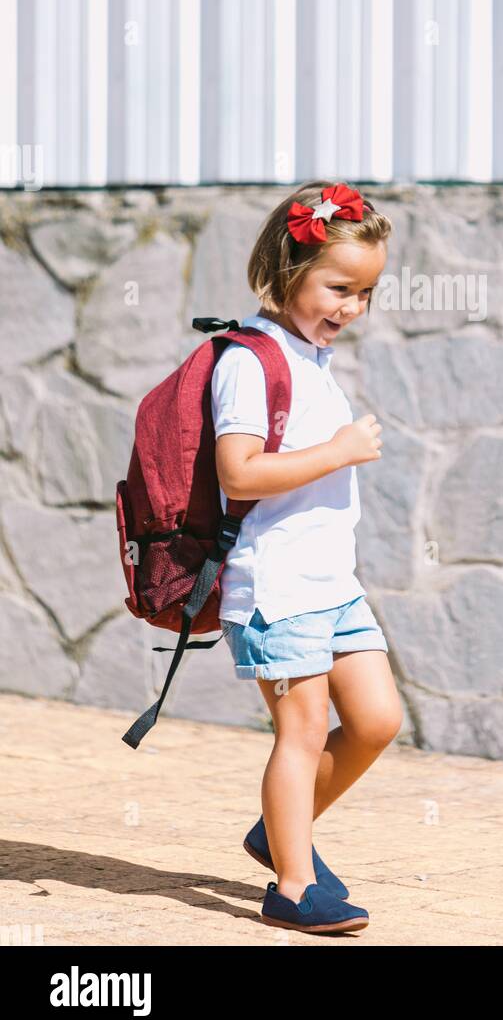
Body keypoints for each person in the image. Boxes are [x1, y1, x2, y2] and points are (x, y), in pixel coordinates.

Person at [211, 180, 402, 934]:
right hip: (275, 585)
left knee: (378, 719)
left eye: (366, 293)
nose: (351, 307)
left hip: (331, 582)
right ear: (289, 270)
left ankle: (275, 829)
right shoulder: (249, 362)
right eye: (337, 287)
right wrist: (339, 451)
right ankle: (293, 883)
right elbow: (239, 472)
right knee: (300, 730)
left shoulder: (309, 355)